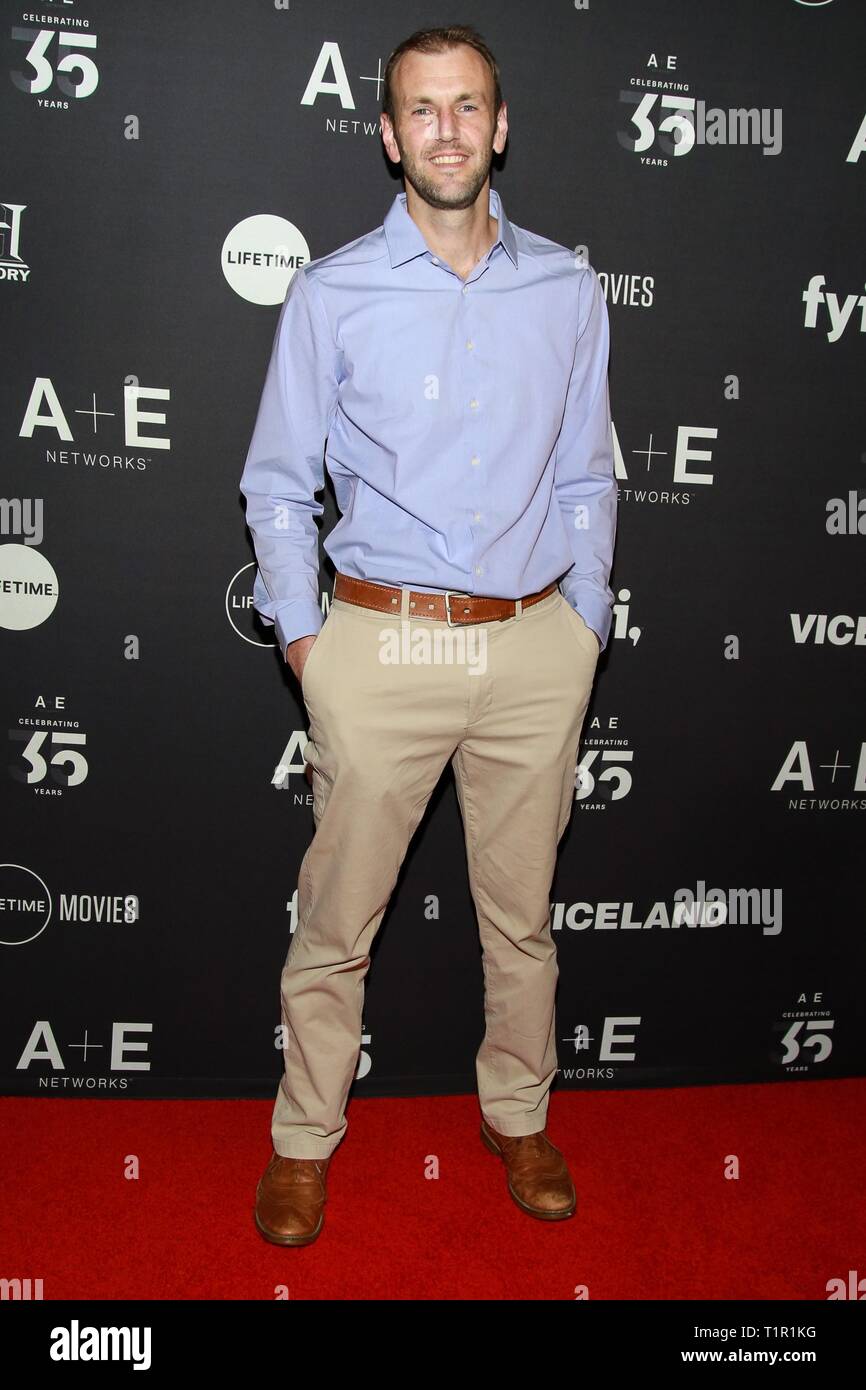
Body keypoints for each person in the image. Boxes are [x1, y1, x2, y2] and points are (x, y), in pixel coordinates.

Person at [239, 23, 618, 1246]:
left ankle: (516, 1113)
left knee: (522, 916)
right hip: (381, 649)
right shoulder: (332, 290)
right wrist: (310, 646)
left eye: (469, 106)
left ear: (498, 127)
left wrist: (582, 624)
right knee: (335, 918)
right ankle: (305, 1135)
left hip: (530, 651)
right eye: (423, 109)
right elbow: (278, 482)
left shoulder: (567, 287)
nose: (447, 129)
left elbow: (586, 475)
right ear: (390, 135)